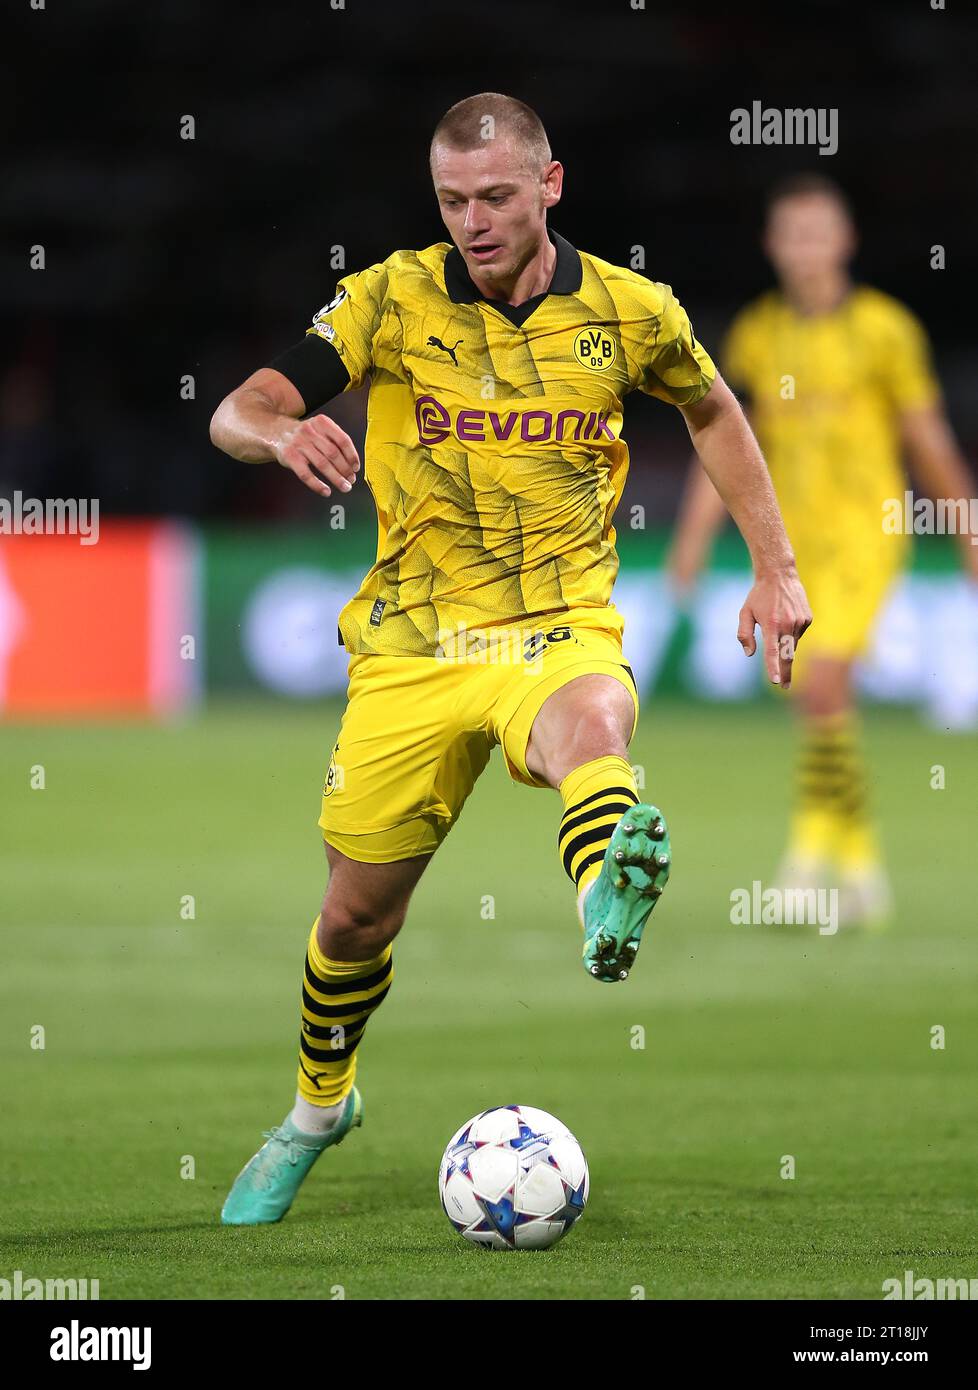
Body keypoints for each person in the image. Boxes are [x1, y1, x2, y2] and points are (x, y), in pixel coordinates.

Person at [210, 93, 810, 1226]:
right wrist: (283, 430)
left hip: (556, 623)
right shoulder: (388, 299)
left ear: (551, 186)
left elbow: (715, 411)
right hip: (414, 645)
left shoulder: (631, 312)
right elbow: (242, 407)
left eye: (494, 196)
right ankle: (316, 1107)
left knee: (594, 722)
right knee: (353, 919)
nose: (472, 221)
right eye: (451, 200)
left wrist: (775, 565)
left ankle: (604, 893)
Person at [669, 173, 976, 926]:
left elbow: (927, 443)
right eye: (792, 235)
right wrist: (692, 536)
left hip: (868, 538)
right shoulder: (757, 334)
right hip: (790, 546)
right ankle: (862, 864)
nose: (806, 250)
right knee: (818, 700)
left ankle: (806, 863)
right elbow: (730, 446)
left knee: (826, 683)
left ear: (845, 242)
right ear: (773, 246)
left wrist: (968, 533)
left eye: (819, 233)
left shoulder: (885, 331)